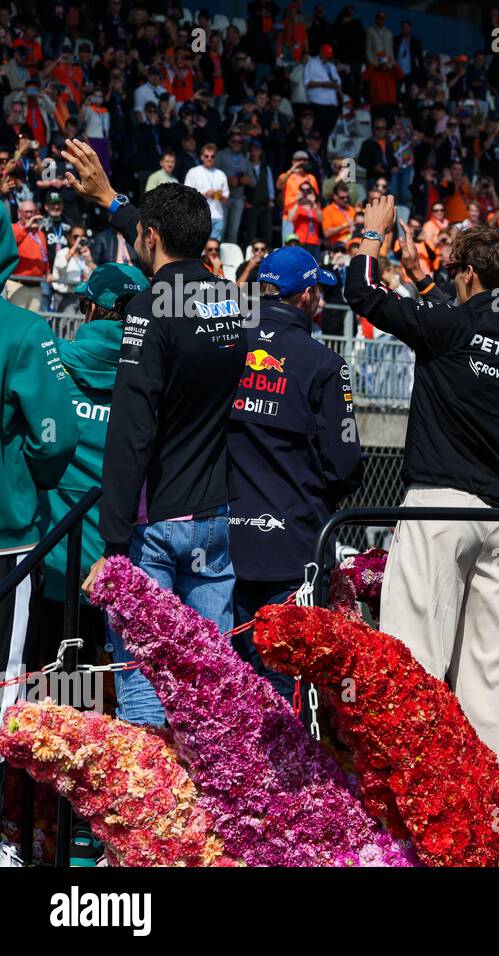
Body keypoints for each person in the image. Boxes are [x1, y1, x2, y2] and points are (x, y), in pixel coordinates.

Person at [343, 195, 499, 801]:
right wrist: (428, 282)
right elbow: (463, 330)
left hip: (439, 509)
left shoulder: (452, 326)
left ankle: (411, 804)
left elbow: (360, 293)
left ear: (470, 274)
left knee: (412, 660)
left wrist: (371, 239)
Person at [65, 141, 247, 728]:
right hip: (217, 518)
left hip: (157, 528)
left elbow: (131, 432)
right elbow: (173, 258)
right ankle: (215, 810)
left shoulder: (148, 310)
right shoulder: (234, 302)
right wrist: (114, 203)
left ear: (147, 237)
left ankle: (150, 819)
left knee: (145, 686)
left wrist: (113, 547)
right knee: (211, 684)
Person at [227, 247, 364, 701]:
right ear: (305, 295)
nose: (322, 299)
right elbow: (345, 464)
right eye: (319, 290)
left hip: (221, 546)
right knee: (282, 687)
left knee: (224, 687)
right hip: (294, 547)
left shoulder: (224, 343)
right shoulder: (324, 364)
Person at [29, 264, 148, 673]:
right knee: (114, 712)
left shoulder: (49, 365)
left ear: (90, 311)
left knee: (50, 705)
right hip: (124, 568)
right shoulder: (156, 380)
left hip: (51, 560)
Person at [0, 197, 79, 720]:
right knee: (6, 680)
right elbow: (54, 437)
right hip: (7, 537)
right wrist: (32, 480)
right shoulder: (24, 330)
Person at [183, 142, 229, 241]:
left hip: (217, 215)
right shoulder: (193, 172)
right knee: (200, 247)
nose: (209, 158)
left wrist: (219, 196)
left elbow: (226, 198)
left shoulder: (221, 174)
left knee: (214, 247)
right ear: (201, 157)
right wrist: (204, 194)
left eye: (212, 156)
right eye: (206, 156)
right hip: (199, 215)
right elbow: (186, 194)